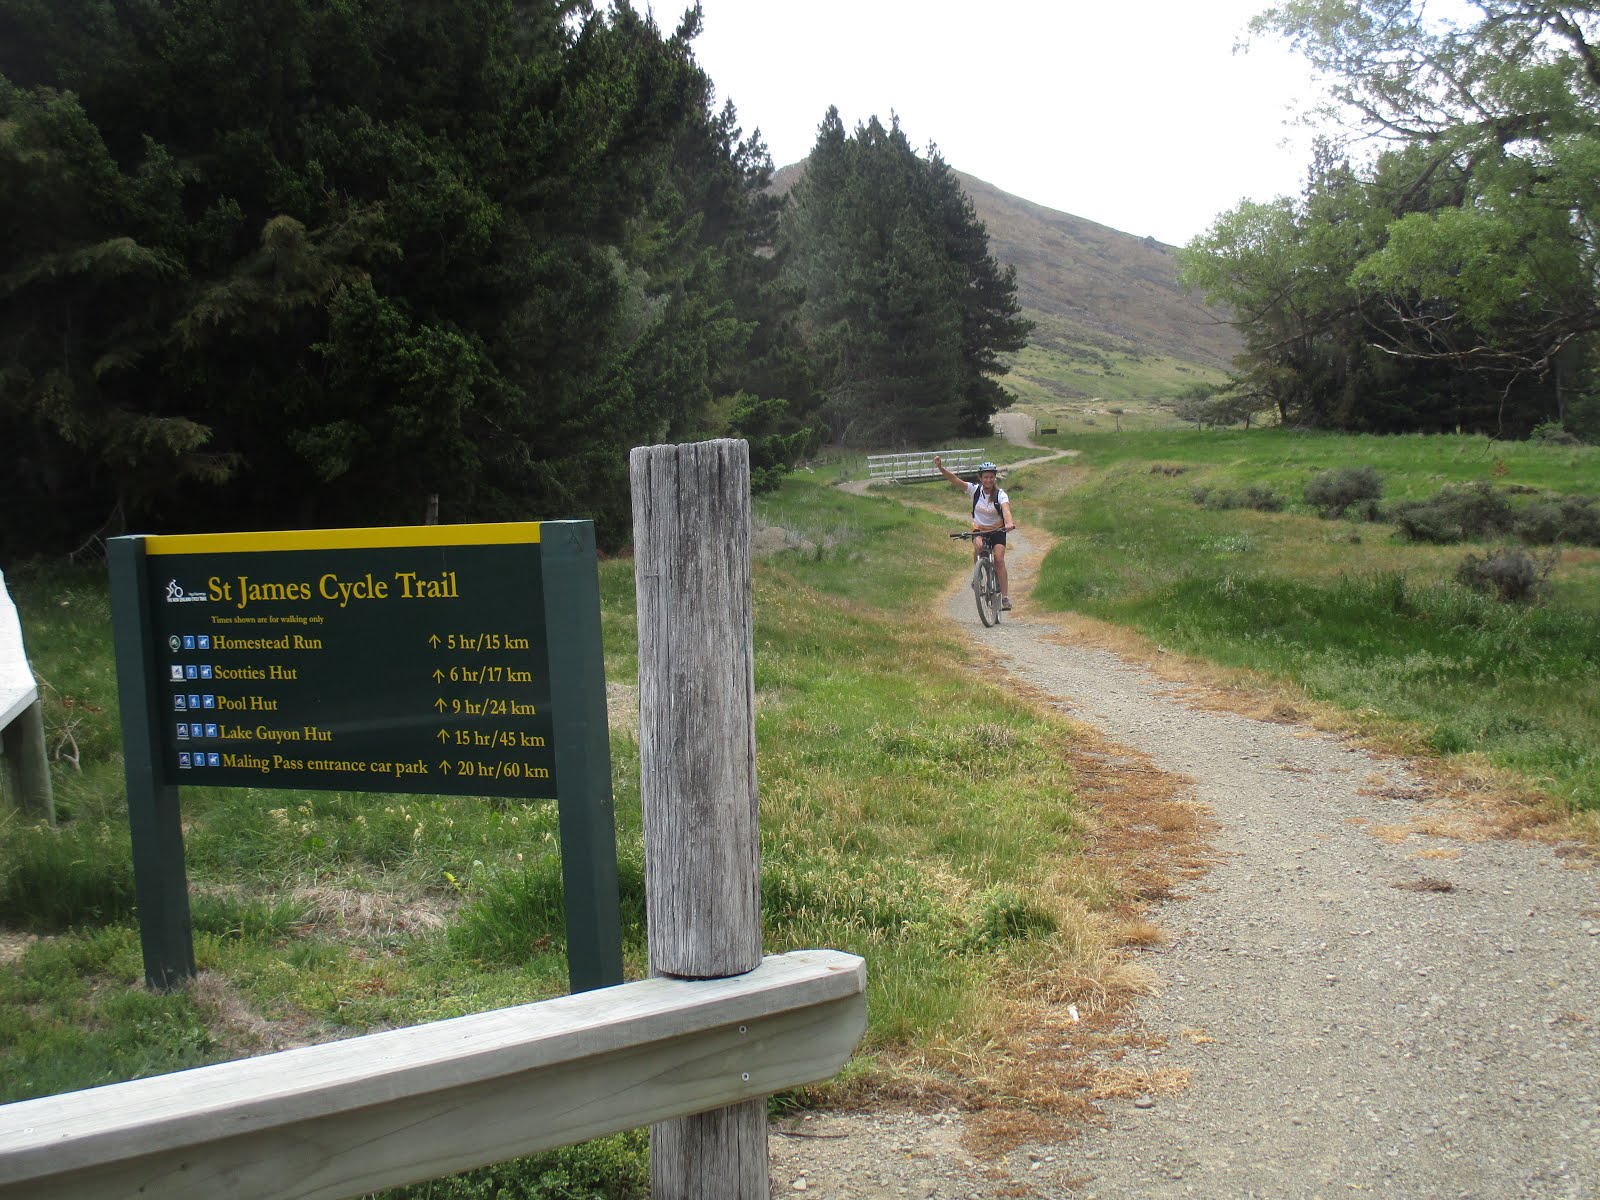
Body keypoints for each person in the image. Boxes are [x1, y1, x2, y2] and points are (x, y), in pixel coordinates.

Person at [934, 455, 1015, 610]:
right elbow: (954, 480)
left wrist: (1009, 523)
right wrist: (940, 468)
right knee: (978, 547)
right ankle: (978, 577)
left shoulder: (1000, 494)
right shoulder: (974, 490)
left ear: (994, 478)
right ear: (980, 478)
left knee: (999, 559)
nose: (989, 480)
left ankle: (1004, 597)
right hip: (979, 529)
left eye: (991, 477)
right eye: (986, 477)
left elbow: (1006, 510)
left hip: (997, 529)